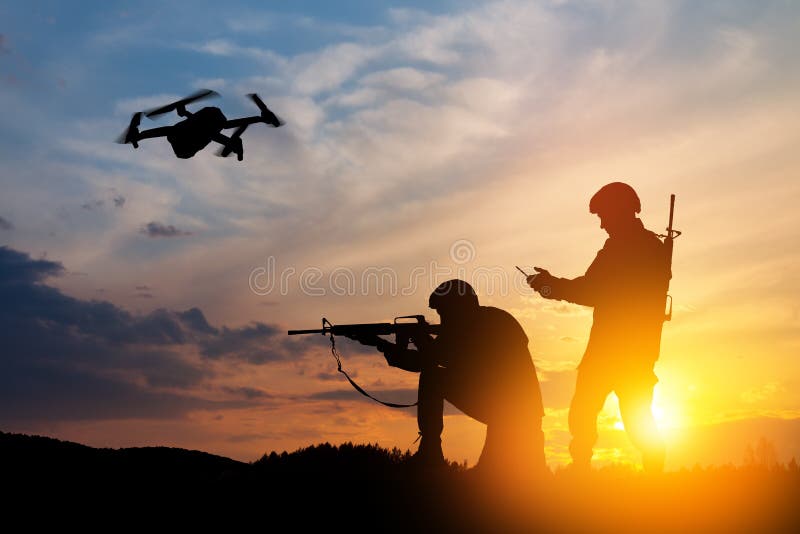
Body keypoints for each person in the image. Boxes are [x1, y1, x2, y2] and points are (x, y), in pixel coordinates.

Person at [527, 182, 670, 473]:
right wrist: (552, 286)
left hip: (619, 351)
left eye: (604, 215)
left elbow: (593, 290)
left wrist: (551, 286)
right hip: (629, 351)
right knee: (601, 414)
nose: (602, 224)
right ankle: (649, 481)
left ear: (620, 211)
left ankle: (642, 482)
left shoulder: (631, 247)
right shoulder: (638, 246)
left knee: (616, 416)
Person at [347, 279, 546, 478]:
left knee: (433, 378)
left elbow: (431, 360)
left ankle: (430, 452)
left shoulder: (487, 324)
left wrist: (410, 343)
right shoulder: (481, 321)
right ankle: (430, 451)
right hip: (506, 410)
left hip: (514, 412)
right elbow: (429, 359)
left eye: (442, 311)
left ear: (458, 308)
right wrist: (382, 344)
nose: (441, 318)